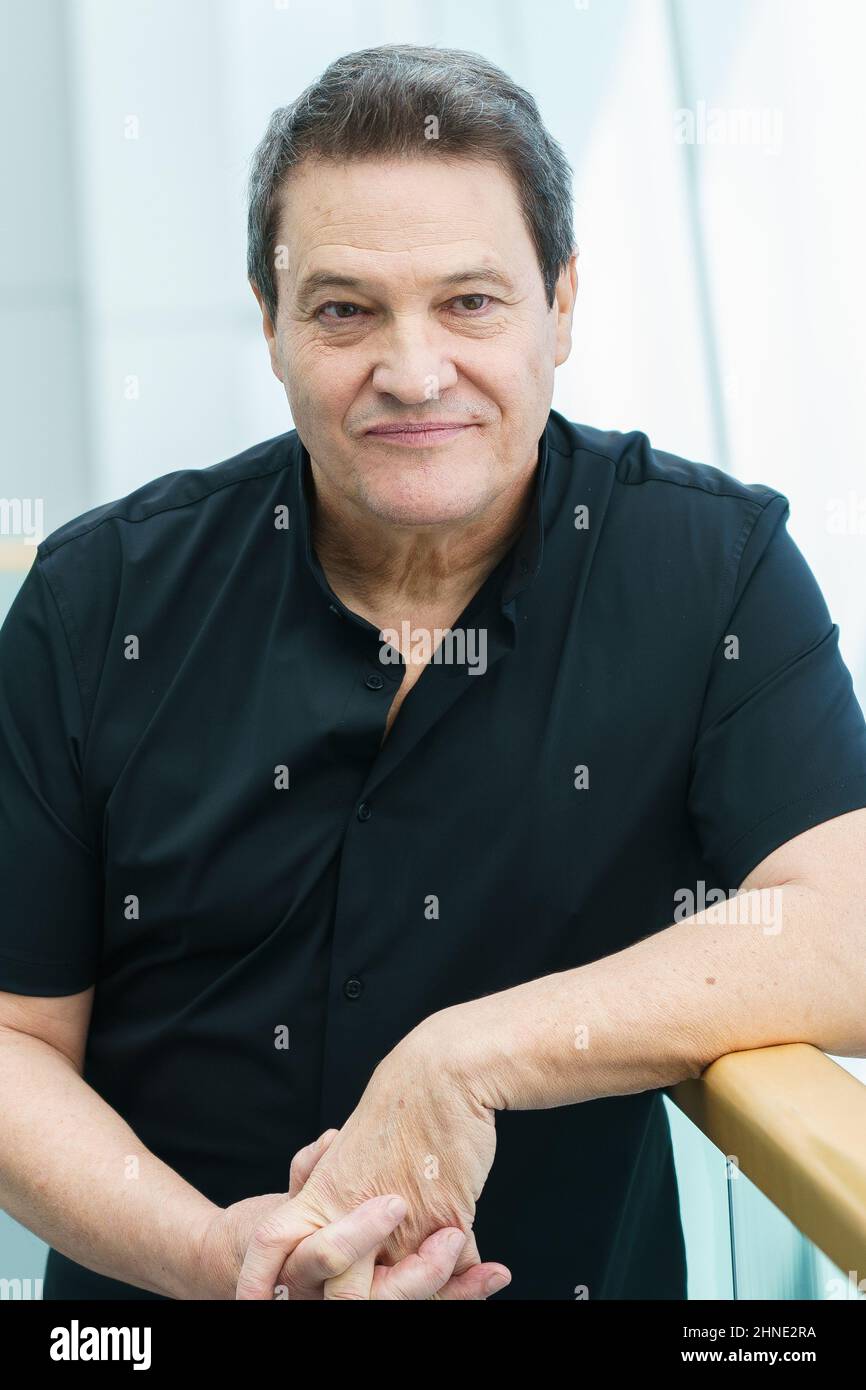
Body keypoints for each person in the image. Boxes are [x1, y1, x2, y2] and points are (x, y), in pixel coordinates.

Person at [2, 43, 866, 1302]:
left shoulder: (709, 567)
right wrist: (219, 1261)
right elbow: (15, 1039)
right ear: (272, 323)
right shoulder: (96, 599)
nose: (412, 374)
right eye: (345, 309)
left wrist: (465, 1055)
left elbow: (847, 928)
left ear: (562, 304)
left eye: (470, 303)